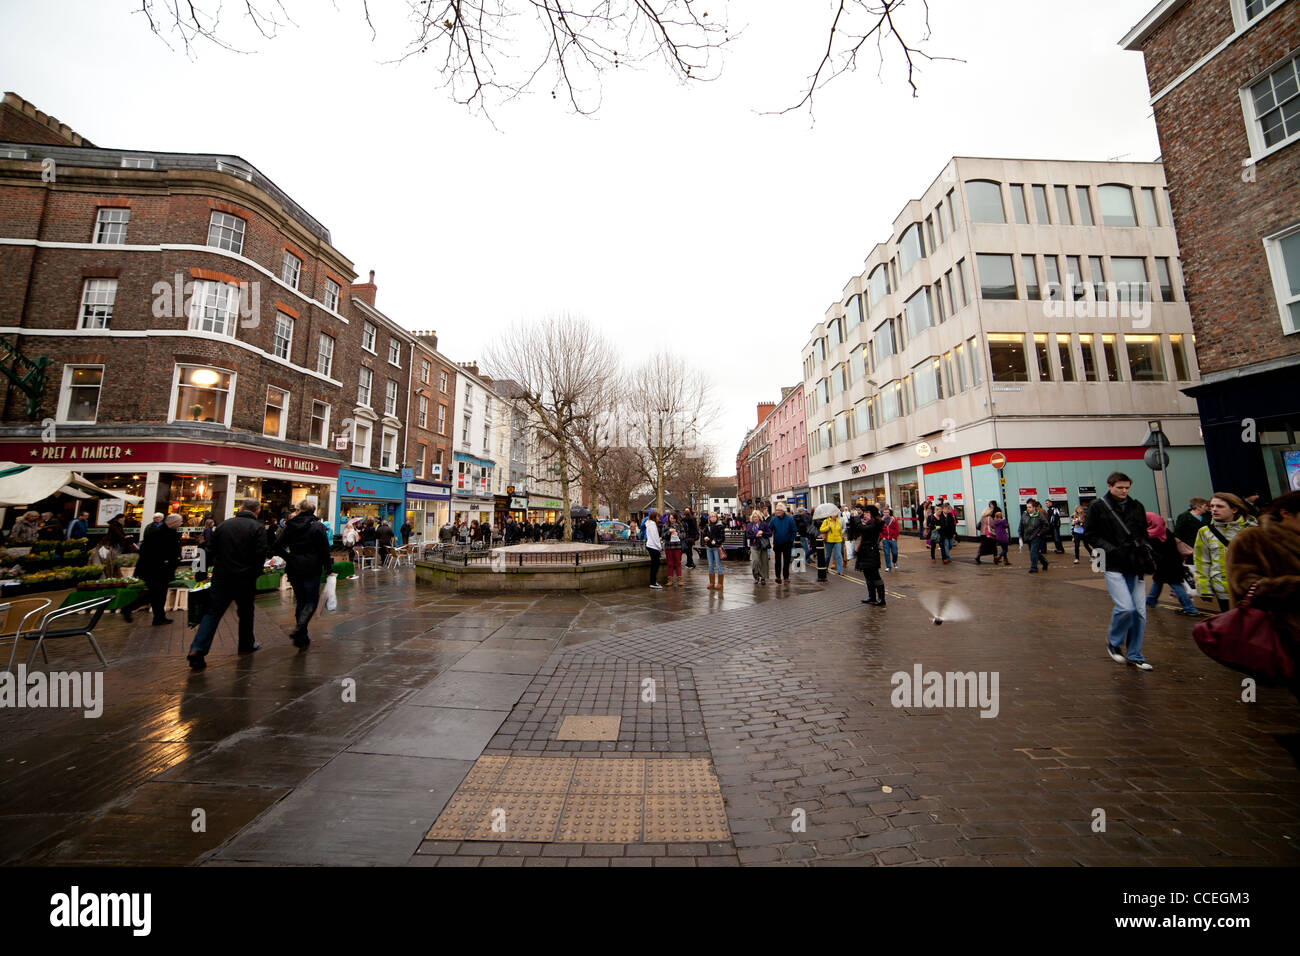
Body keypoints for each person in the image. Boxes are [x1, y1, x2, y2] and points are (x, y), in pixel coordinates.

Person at [187, 499, 270, 670]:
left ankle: (198, 648)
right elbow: (260, 554)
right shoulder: (258, 528)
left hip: (222, 576)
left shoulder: (224, 526)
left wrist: (201, 573)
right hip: (245, 578)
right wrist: (255, 573)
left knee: (212, 613)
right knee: (246, 612)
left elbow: (207, 550)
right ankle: (246, 643)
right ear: (257, 510)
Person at [1084, 472, 1154, 671]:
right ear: (1109, 486)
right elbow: (1090, 534)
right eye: (1120, 488)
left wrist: (1144, 547)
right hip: (1112, 562)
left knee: (1139, 612)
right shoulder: (1097, 507)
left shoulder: (1137, 506)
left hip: (1135, 563)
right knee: (1125, 607)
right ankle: (1113, 641)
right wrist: (1111, 549)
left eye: (1127, 488)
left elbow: (1143, 533)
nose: (1124, 491)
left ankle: (1135, 654)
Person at [1225, 490, 1300, 654]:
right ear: (1286, 513)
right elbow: (1245, 585)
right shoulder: (1252, 539)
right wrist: (1293, 585)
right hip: (1280, 638)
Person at [274, 497, 333, 649]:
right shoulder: (318, 526)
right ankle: (300, 628)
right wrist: (328, 568)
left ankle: (302, 636)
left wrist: (290, 557)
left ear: (300, 510)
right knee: (312, 601)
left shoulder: (290, 525)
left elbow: (276, 546)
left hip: (294, 567)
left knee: (301, 600)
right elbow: (324, 550)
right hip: (312, 567)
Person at [1194, 492, 1256, 613]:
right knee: (1231, 626)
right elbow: (1202, 561)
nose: (1214, 510)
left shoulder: (1252, 529)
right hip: (1222, 590)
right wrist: (1204, 589)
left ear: (1234, 509)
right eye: (1212, 506)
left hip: (1250, 588)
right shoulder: (1205, 532)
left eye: (1220, 506)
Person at [125, 513, 182, 625]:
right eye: (180, 522)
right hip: (155, 568)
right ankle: (128, 608)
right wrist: (168, 562)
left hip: (158, 568)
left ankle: (159, 617)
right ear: (173, 523)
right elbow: (152, 551)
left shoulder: (166, 532)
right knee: (155, 593)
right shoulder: (159, 533)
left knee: (159, 593)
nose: (181, 524)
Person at [1145, 512, 1200, 617]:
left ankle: (1190, 608)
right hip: (1173, 561)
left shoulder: (1150, 535)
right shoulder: (1165, 531)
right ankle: (1151, 600)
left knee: (1175, 585)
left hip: (1164, 564)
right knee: (1158, 581)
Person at [855, 504, 885, 606]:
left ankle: (881, 599)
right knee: (867, 575)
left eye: (867, 512)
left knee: (875, 576)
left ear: (872, 513)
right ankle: (872, 596)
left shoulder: (876, 523)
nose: (865, 514)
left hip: (871, 552)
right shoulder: (868, 523)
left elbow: (862, 529)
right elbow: (857, 530)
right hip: (864, 552)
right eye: (865, 512)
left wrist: (858, 519)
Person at [769, 504, 797, 585]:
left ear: (783, 511)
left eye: (779, 510)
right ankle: (778, 577)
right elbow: (769, 529)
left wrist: (791, 540)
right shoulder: (773, 520)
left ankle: (786, 577)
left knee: (786, 561)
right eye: (776, 510)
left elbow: (794, 530)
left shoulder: (790, 519)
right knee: (777, 561)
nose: (777, 511)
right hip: (777, 543)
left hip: (787, 543)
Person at [1021, 499, 1050, 573]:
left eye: (1030, 507)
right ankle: (1044, 562)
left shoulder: (1039, 515)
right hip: (1028, 537)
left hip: (1036, 537)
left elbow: (1046, 525)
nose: (1028, 509)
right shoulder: (1025, 515)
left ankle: (1034, 567)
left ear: (1034, 508)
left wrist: (1040, 533)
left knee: (1033, 552)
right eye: (1027, 507)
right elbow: (1021, 526)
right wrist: (1020, 536)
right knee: (1035, 552)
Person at [747, 509, 771, 585]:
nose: (755, 518)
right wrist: (755, 535)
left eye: (756, 517)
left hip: (763, 546)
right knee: (755, 561)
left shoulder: (763, 524)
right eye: (754, 517)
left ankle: (763, 577)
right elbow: (747, 535)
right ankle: (756, 576)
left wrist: (763, 533)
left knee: (764, 562)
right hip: (754, 545)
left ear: (759, 517)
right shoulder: (750, 525)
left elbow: (770, 533)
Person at [704, 512, 727, 592]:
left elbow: (722, 538)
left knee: (718, 564)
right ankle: (712, 582)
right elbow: (704, 534)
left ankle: (720, 583)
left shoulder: (720, 526)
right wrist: (705, 538)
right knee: (710, 565)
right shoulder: (708, 526)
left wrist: (716, 541)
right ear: (709, 518)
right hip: (709, 547)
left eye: (714, 516)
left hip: (717, 547)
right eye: (711, 517)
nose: (713, 518)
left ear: (717, 517)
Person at [663, 513, 685, 588]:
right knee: (670, 563)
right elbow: (663, 536)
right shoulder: (666, 525)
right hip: (669, 547)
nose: (672, 520)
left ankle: (679, 579)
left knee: (678, 563)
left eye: (673, 518)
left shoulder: (680, 525)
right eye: (671, 518)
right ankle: (670, 580)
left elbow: (683, 535)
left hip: (677, 546)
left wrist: (677, 533)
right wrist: (669, 532)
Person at [644, 508, 663, 589]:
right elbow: (655, 537)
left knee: (654, 565)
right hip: (653, 547)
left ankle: (653, 582)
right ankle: (653, 582)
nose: (658, 519)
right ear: (654, 517)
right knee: (655, 565)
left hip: (651, 545)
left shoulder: (650, 524)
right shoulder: (652, 525)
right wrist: (659, 547)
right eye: (658, 517)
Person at [880, 507, 900, 571]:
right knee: (886, 553)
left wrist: (894, 537)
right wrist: (882, 537)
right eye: (885, 512)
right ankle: (888, 566)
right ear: (883, 513)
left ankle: (894, 562)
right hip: (885, 539)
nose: (886, 513)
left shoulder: (893, 519)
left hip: (893, 539)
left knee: (895, 552)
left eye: (887, 512)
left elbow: (896, 529)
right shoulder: (881, 520)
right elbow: (879, 530)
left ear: (889, 512)